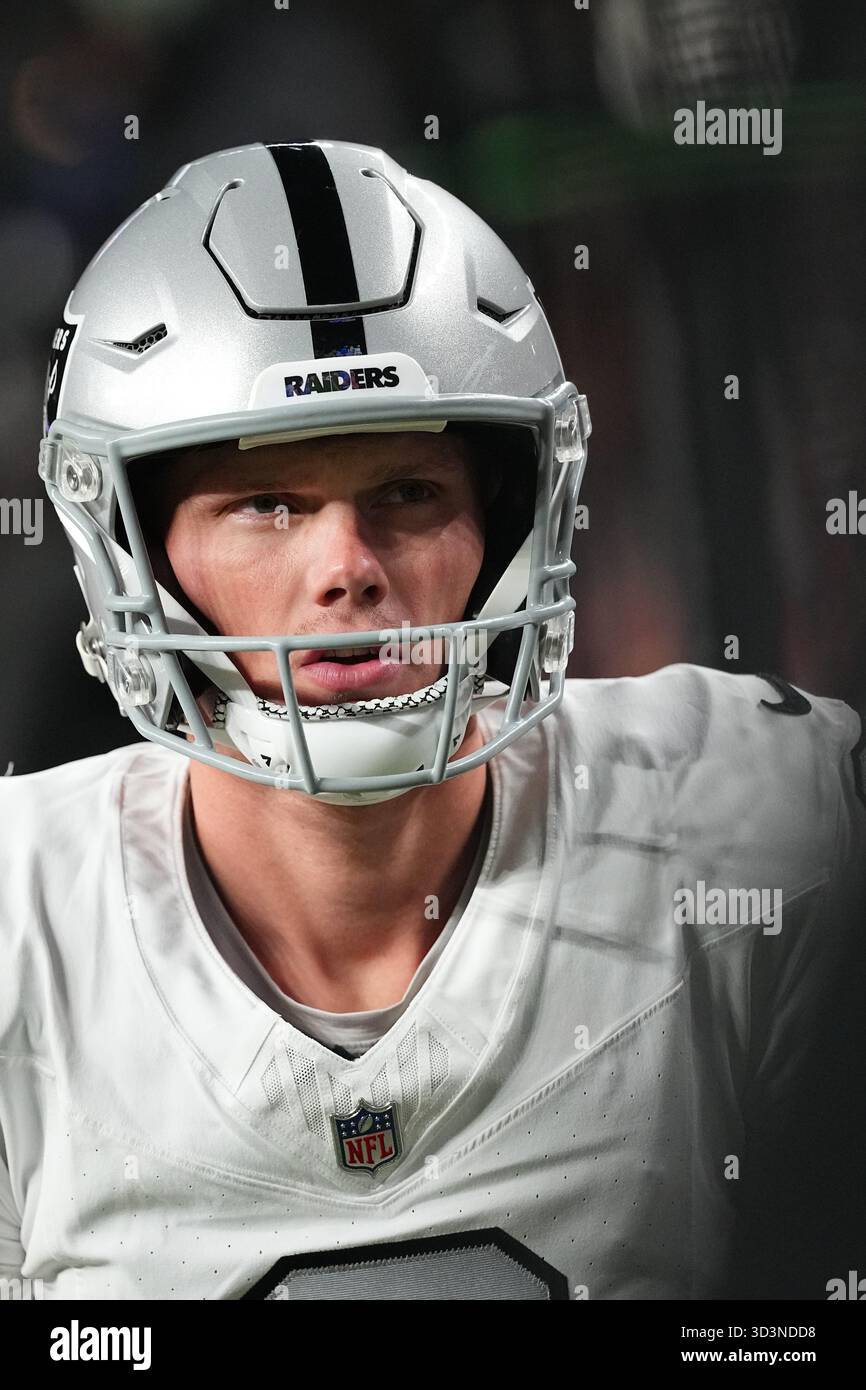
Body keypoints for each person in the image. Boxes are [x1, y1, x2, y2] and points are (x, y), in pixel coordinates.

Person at [1, 140, 862, 1301]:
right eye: (268, 502)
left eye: (407, 492)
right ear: (133, 552)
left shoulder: (758, 825)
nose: (347, 569)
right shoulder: (25, 936)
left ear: (510, 520)